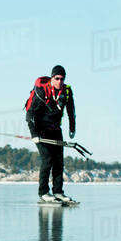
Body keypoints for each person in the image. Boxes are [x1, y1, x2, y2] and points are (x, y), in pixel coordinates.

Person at [26, 65, 76, 203]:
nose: (60, 81)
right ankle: (43, 192)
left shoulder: (66, 91)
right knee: (47, 159)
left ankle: (58, 191)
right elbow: (29, 114)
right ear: (52, 78)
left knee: (59, 161)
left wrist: (72, 128)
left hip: (55, 129)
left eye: (62, 79)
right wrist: (34, 134)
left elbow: (71, 111)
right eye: (57, 78)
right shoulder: (42, 90)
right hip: (40, 129)